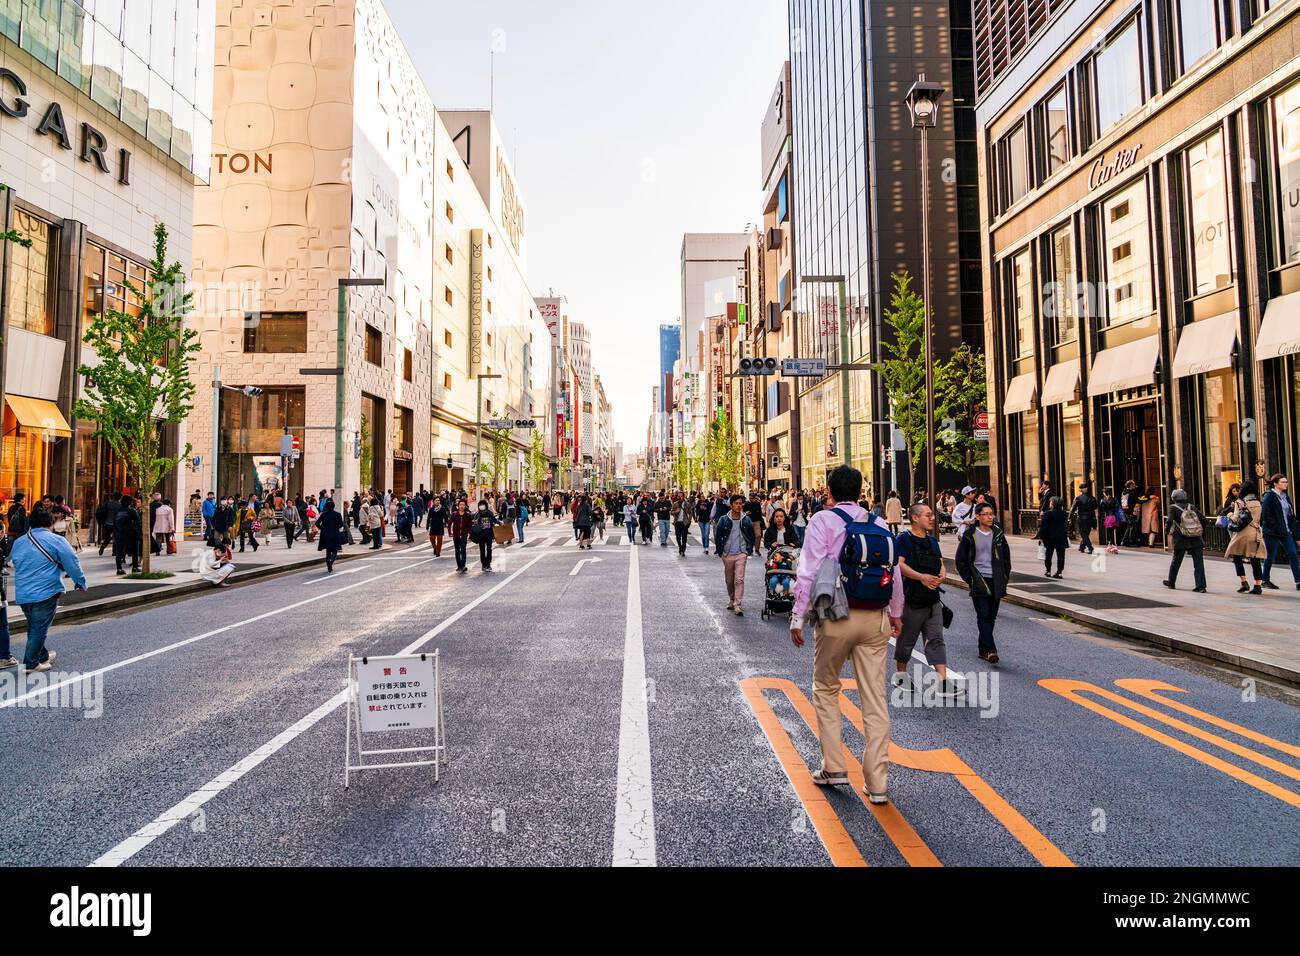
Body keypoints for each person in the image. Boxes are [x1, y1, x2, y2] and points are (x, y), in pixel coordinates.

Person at [789, 466, 903, 802]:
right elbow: (893, 572)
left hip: (836, 615)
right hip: (876, 618)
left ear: (829, 491)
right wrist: (896, 613)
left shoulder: (823, 521)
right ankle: (878, 783)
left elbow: (808, 570)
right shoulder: (879, 524)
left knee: (825, 687)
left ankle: (834, 766)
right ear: (860, 490)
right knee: (874, 698)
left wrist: (798, 615)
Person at [893, 503, 958, 696]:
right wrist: (921, 577)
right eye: (928, 515)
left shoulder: (932, 541)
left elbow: (940, 563)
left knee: (936, 639)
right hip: (911, 599)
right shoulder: (903, 540)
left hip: (932, 600)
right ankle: (901, 675)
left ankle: (943, 681)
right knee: (907, 640)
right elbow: (898, 565)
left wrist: (942, 575)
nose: (932, 518)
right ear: (915, 518)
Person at [11, 508, 87, 672]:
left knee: (34, 625)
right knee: (39, 627)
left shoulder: (19, 542)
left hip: (23, 592)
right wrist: (80, 581)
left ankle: (42, 655)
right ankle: (31, 663)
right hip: (46, 591)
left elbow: (14, 562)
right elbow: (72, 562)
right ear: (51, 523)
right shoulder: (56, 540)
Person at [955, 502, 1011, 664]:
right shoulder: (969, 535)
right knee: (984, 614)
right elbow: (961, 560)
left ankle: (983, 649)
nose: (989, 517)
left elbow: (1006, 558)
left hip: (997, 580)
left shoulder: (998, 534)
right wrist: (970, 579)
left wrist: (1005, 575)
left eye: (991, 513)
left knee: (991, 616)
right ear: (977, 517)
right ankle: (991, 650)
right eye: (985, 514)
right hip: (979, 580)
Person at [714, 494, 756, 616]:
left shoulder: (746, 519)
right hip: (727, 554)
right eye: (736, 503)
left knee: (739, 579)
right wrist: (721, 551)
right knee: (729, 580)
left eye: (740, 503)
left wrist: (747, 550)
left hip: (741, 553)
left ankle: (738, 604)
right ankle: (732, 599)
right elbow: (718, 536)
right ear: (731, 505)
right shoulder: (723, 519)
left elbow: (751, 536)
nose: (739, 506)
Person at [1224, 480, 1266, 595]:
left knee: (1237, 557)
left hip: (1242, 534)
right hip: (1255, 533)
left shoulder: (1240, 502)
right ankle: (1258, 585)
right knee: (1255, 559)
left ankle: (1244, 582)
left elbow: (1237, 519)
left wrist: (1229, 515)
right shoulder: (1258, 502)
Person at [1163, 489, 1208, 593]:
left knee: (1176, 561)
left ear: (1174, 498)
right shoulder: (1191, 507)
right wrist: (1196, 530)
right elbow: (1204, 520)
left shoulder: (1173, 508)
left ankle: (1171, 581)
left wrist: (1167, 531)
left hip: (1181, 539)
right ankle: (1201, 586)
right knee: (1198, 563)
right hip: (1196, 538)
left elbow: (1169, 521)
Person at [1261, 474, 1300, 590]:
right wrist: (1276, 527)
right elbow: (1266, 515)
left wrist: (1293, 530)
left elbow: (1290, 515)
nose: (1286, 484)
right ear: (1275, 483)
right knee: (1270, 556)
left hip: (1286, 531)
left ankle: (1298, 581)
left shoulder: (1285, 496)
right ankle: (1265, 580)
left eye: (1286, 482)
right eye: (1283, 482)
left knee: (1293, 554)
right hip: (1272, 532)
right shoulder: (1269, 496)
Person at [1038, 496, 1069, 578]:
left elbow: (1044, 527)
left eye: (1050, 502)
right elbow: (1066, 525)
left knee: (1048, 554)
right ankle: (1059, 572)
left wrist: (1041, 537)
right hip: (1061, 536)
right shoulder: (1064, 513)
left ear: (1053, 504)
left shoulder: (1047, 513)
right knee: (1061, 555)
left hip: (1050, 536)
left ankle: (1048, 571)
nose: (1049, 503)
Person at [113, 494, 142, 574]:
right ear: (130, 502)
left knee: (119, 551)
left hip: (119, 533)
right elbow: (138, 522)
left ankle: (119, 569)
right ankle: (135, 567)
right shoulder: (132, 510)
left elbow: (114, 522)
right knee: (135, 550)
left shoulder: (117, 511)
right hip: (131, 533)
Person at [316, 499, 346, 573]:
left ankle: (328, 561)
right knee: (335, 549)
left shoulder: (324, 514)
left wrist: (322, 528)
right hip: (335, 533)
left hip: (325, 534)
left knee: (328, 550)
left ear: (326, 507)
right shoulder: (338, 514)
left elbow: (317, 523)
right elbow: (341, 524)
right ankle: (331, 561)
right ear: (334, 507)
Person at [1069, 482, 1098, 555]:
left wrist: (1069, 517)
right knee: (1086, 533)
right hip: (1090, 518)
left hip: (1082, 518)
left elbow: (1073, 508)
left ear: (1081, 490)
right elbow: (1095, 507)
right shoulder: (1092, 498)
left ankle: (1090, 548)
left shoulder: (1078, 498)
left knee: (1084, 534)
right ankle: (1082, 546)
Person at [471, 500, 497, 571]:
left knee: (489, 549)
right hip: (480, 535)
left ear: (485, 505)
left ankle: (488, 564)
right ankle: (483, 564)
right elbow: (473, 522)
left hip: (489, 534)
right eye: (480, 504)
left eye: (483, 504)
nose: (481, 506)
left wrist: (500, 522)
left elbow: (494, 520)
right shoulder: (477, 514)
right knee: (482, 550)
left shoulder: (489, 513)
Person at [449, 498, 473, 574]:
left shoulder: (468, 515)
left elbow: (470, 525)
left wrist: (470, 534)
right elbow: (449, 523)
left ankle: (463, 565)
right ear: (458, 506)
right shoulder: (454, 514)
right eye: (460, 505)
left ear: (465, 506)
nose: (462, 506)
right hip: (456, 535)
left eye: (463, 505)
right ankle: (459, 566)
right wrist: (450, 532)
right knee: (457, 550)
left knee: (463, 549)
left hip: (464, 535)